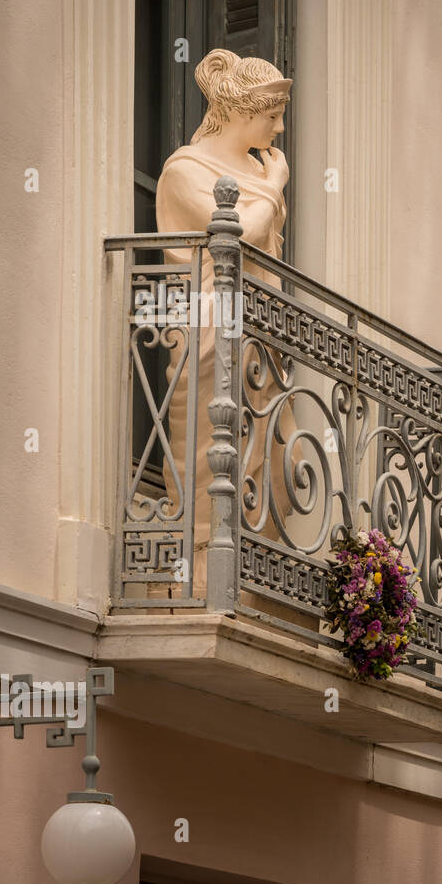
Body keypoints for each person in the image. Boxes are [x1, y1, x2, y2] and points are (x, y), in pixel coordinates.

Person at [155, 48, 293, 598]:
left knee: (259, 443)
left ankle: (246, 560)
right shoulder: (185, 169)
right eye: (272, 115)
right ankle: (194, 565)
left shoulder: (260, 166)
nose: (279, 127)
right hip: (210, 319)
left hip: (263, 323)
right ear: (241, 110)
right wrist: (276, 186)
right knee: (205, 436)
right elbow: (234, 229)